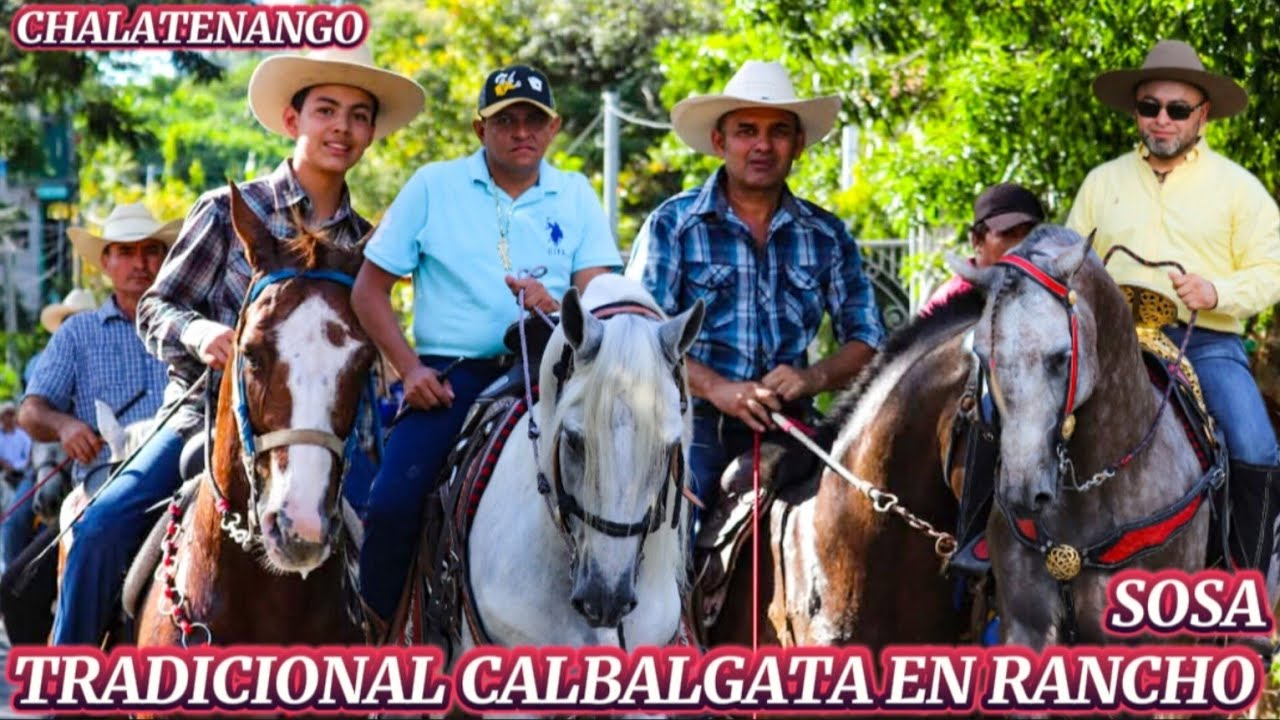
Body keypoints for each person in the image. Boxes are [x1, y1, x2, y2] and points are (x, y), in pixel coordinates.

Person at [50, 45, 424, 646]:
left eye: (359, 115)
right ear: (291, 120)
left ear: (372, 132)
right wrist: (201, 334)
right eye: (327, 109)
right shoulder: (229, 212)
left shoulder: (368, 245)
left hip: (329, 436)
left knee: (397, 535)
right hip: (201, 418)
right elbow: (155, 305)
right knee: (98, 530)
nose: (343, 127)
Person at [352, 64, 621, 629]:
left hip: (558, 367)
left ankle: (653, 636)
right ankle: (377, 651)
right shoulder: (433, 185)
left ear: (553, 129)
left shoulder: (574, 192)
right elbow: (368, 292)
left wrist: (556, 303)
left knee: (638, 478)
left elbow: (599, 291)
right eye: (506, 121)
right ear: (481, 130)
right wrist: (409, 371)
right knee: (391, 506)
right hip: (454, 379)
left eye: (533, 120)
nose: (521, 131)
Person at [625, 60, 885, 529]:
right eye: (746, 130)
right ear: (720, 142)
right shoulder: (673, 225)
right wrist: (718, 388)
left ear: (798, 144)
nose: (763, 145)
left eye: (779, 132)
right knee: (669, 526)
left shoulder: (825, 235)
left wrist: (812, 378)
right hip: (691, 423)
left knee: (868, 518)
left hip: (793, 424)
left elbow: (868, 340)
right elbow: (639, 334)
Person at [1066, 40, 1280, 587]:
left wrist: (1218, 291)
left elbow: (1273, 269)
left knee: (1255, 446)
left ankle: (1242, 594)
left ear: (1202, 115)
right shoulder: (1101, 182)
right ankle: (987, 555)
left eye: (1177, 109)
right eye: (1149, 107)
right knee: (1010, 415)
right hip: (1107, 344)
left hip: (1202, 341)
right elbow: (1068, 263)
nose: (1162, 120)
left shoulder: (1240, 190)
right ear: (1136, 110)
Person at [13, 206, 174, 571]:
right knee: (93, 536)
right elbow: (31, 411)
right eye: (126, 252)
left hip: (189, 473)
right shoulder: (77, 334)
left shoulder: (190, 326)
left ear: (165, 259)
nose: (140, 263)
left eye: (151, 251)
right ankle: (74, 631)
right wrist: (65, 427)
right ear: (106, 262)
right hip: (110, 475)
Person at [919, 183, 1045, 318]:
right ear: (976, 240)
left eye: (1031, 235)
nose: (1022, 245)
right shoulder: (951, 304)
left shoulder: (1046, 292)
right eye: (1008, 234)